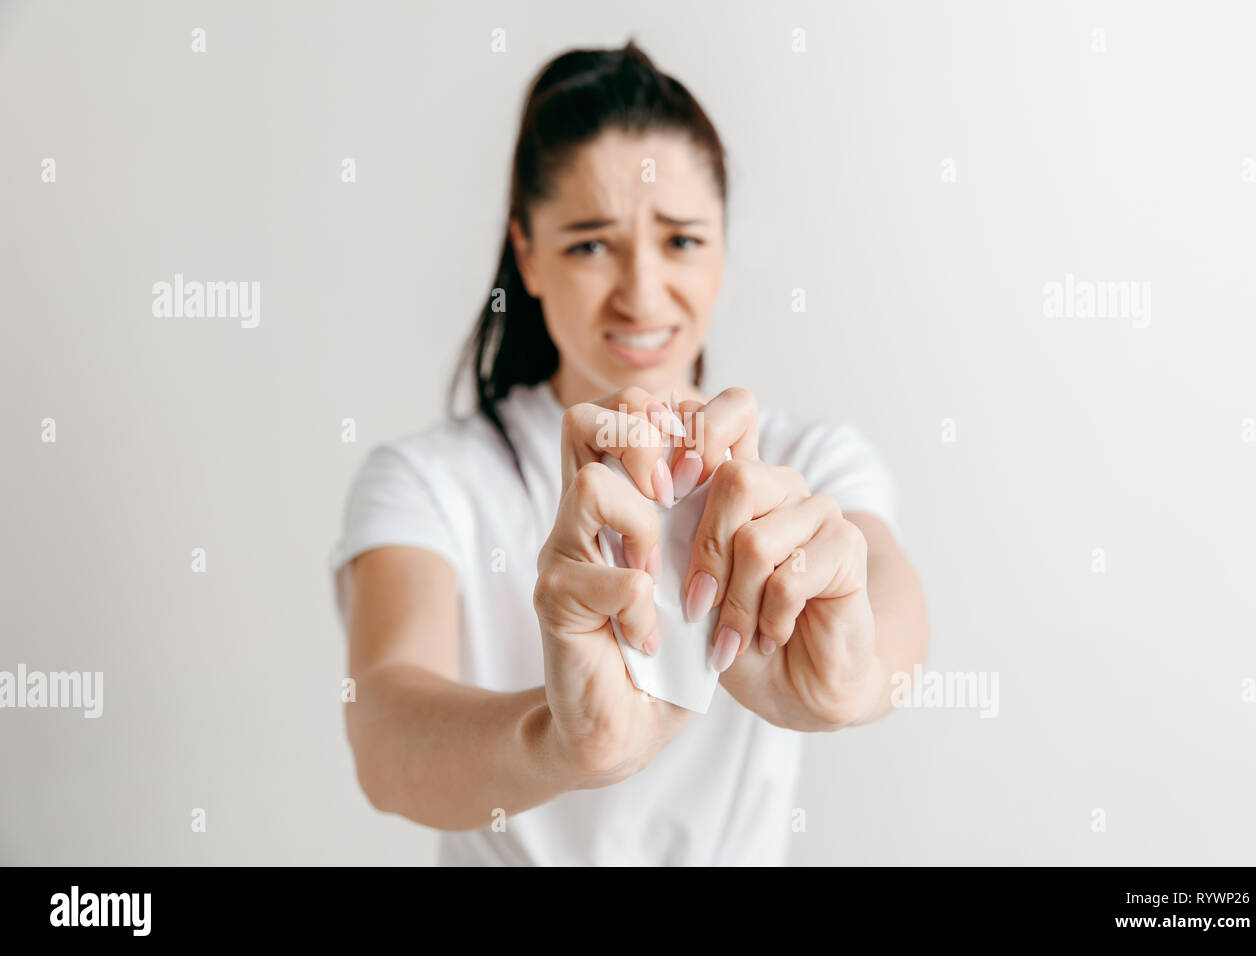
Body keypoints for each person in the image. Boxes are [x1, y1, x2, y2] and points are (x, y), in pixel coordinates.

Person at [330, 40, 928, 866]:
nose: (642, 293)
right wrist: (560, 744)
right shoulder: (429, 482)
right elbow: (384, 732)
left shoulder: (808, 461)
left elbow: (895, 616)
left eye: (681, 240)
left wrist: (848, 682)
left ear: (723, 244)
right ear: (528, 256)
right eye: (588, 244)